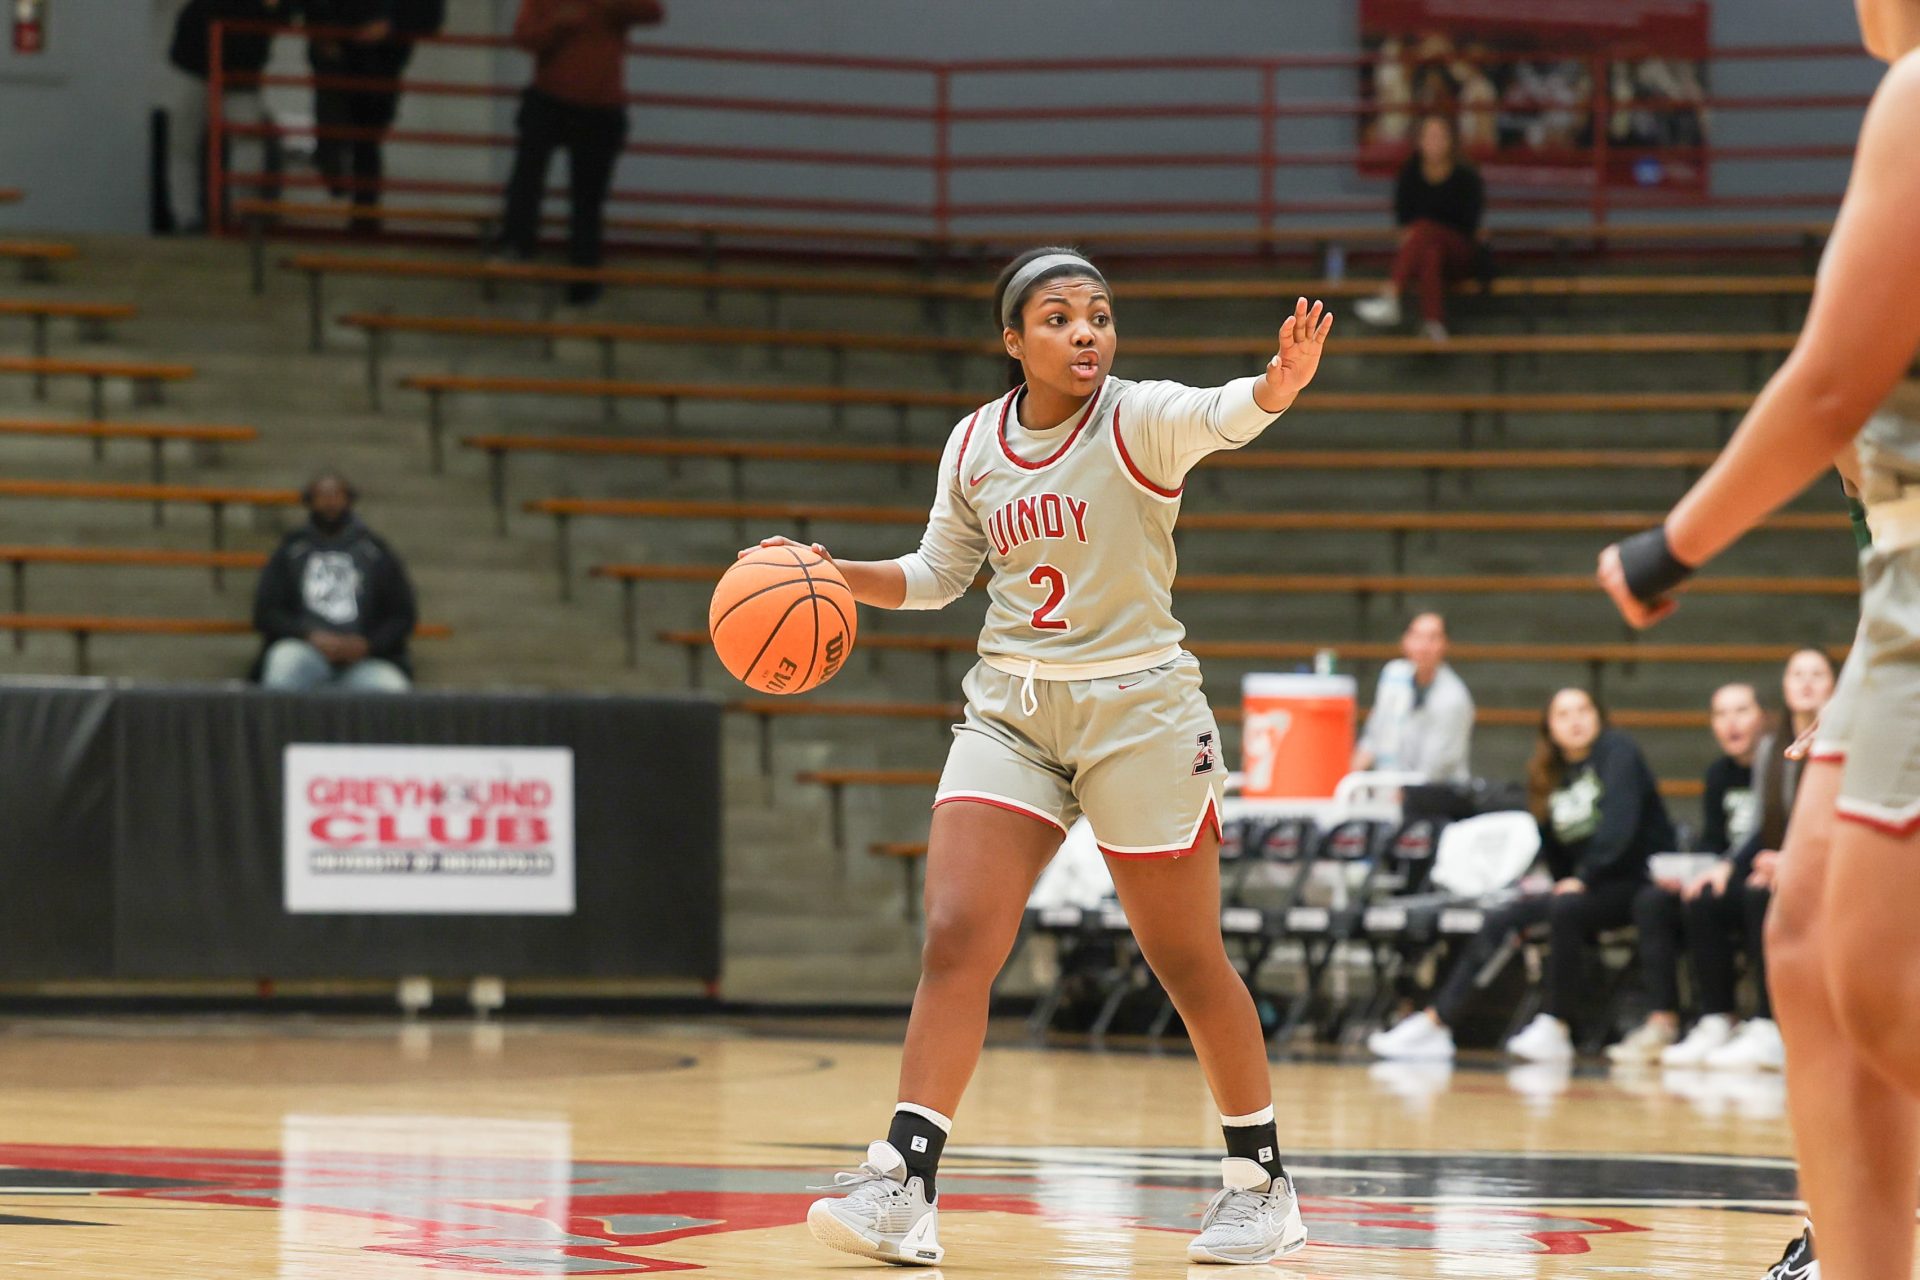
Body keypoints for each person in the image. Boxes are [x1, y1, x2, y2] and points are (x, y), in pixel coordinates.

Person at [763, 250, 1333, 1266]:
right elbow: (940, 573)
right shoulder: (976, 440)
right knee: (955, 930)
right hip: (1015, 709)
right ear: (1013, 341)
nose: (1086, 332)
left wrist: (1274, 387)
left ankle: (1262, 1181)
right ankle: (903, 1177)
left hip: (1141, 711)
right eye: (1060, 317)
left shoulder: (1138, 415)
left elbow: (1224, 411)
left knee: (1185, 957)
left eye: (1100, 316)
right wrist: (833, 574)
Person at [1597, 4, 1920, 1275]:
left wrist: (1666, 547)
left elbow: (1835, 381)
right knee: (1803, 940)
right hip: (1892, 586)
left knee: (1886, 979)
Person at [1368, 687, 1673, 1063]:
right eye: (1563, 714)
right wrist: (1569, 880)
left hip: (1632, 882)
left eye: (1583, 710)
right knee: (1506, 915)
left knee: (1565, 908)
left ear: (1599, 716)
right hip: (1583, 889)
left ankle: (1557, 1025)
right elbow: (1554, 846)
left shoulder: (1618, 752)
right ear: (1549, 728)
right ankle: (1436, 1023)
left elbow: (1620, 828)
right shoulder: (1549, 774)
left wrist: (1585, 877)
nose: (1575, 720)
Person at [1608, 682, 1766, 1066]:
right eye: (1721, 714)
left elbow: (1777, 828)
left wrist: (1728, 868)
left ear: (1763, 716)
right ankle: (1676, 1019)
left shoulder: (1779, 764)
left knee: (1731, 897)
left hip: (1765, 874)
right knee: (1656, 900)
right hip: (1728, 875)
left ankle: (1763, 1022)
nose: (1732, 722)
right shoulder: (1717, 775)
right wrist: (1689, 870)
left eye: (1741, 710)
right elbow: (1714, 841)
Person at [501, 0, 664, 306]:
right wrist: (559, 25)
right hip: (557, 101)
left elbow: (652, 12)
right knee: (531, 179)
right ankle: (518, 245)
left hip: (595, 109)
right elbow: (524, 38)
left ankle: (582, 279)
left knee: (585, 201)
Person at [253, 471, 417, 692]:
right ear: (309, 501)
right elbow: (267, 611)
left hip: (365, 660)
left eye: (336, 494)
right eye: (322, 494)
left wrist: (367, 645)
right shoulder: (291, 551)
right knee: (284, 663)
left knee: (393, 688)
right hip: (306, 651)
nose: (330, 501)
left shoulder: (376, 552)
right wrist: (308, 636)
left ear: (349, 499)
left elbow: (402, 615)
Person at [304, 0, 445, 233]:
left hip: (378, 62)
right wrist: (323, 31)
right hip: (348, 57)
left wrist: (391, 26)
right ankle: (360, 207)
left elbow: (429, 15)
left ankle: (364, 213)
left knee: (366, 140)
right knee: (352, 133)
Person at [1352, 112, 1485, 342]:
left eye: (1439, 136)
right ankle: (1434, 324)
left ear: (1450, 140)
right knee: (1430, 253)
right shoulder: (1410, 174)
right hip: (1425, 253)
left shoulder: (1467, 176)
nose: (1434, 142)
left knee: (1424, 229)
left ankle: (1392, 295)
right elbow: (1403, 221)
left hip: (1460, 252)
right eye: (1429, 136)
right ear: (1420, 140)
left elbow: (1469, 226)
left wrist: (1426, 233)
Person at [164, 0, 290, 231]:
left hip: (210, 72)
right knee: (242, 144)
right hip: (215, 73)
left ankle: (195, 217)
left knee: (188, 148)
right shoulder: (256, 9)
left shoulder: (203, 10)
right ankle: (235, 215)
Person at [1350, 611, 1474, 783]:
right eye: (1416, 636)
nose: (1423, 646)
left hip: (1436, 795)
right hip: (1390, 788)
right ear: (1404, 641)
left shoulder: (1453, 698)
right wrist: (1347, 777)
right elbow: (1373, 738)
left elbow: (1433, 770)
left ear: (1445, 644)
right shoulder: (1394, 677)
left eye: (1433, 638)